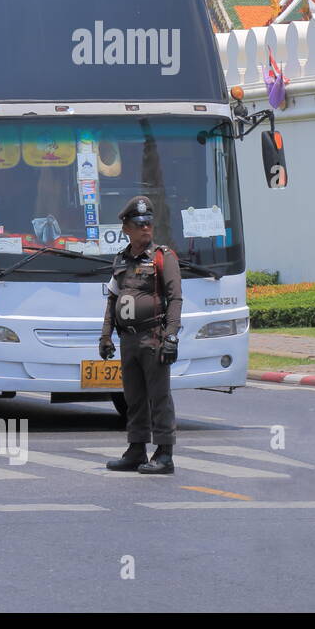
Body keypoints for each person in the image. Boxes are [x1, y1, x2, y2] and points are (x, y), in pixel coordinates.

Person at [100, 196, 182, 475]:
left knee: (159, 396)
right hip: (129, 340)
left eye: (148, 223)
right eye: (139, 224)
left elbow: (176, 299)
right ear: (126, 228)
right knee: (133, 397)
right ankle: (136, 449)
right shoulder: (121, 259)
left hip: (154, 336)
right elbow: (112, 300)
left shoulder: (163, 256)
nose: (146, 228)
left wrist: (171, 337)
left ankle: (164, 453)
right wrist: (105, 336)